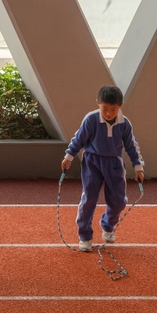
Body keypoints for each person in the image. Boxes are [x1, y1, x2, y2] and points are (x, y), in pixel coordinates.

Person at [61, 84, 145, 253]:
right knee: (89, 198)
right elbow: (78, 139)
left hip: (114, 164)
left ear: (120, 106)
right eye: (104, 108)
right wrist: (69, 157)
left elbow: (131, 146)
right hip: (92, 162)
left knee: (119, 201)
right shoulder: (91, 119)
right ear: (97, 104)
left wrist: (138, 166)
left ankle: (108, 224)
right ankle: (85, 236)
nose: (108, 113)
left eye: (113, 109)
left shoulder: (124, 123)